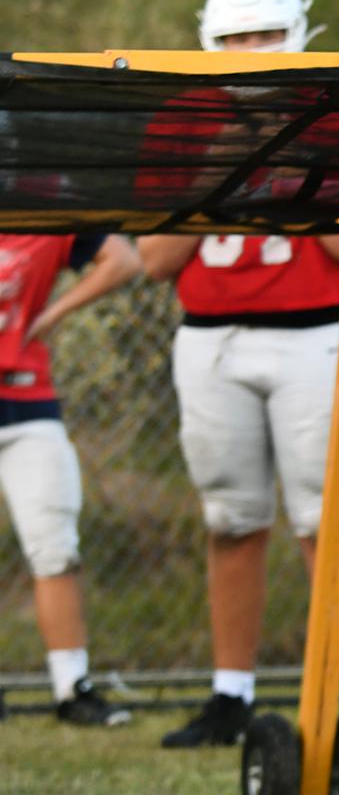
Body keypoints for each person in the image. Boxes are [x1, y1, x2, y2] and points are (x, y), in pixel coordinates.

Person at [139, 0, 339, 750]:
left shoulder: (335, 113)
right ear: (209, 43)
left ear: (296, 36)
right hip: (211, 338)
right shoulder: (183, 120)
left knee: (328, 520)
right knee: (229, 519)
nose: (252, 51)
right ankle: (230, 694)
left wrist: (289, 162)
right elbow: (156, 260)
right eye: (237, 39)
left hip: (315, 333)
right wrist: (222, 165)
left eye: (263, 35)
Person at [0, 232, 140, 726]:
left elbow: (122, 258)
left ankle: (71, 686)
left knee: (54, 546)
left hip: (26, 397)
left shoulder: (41, 210)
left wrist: (51, 314)